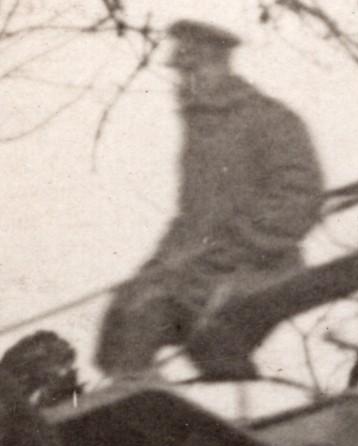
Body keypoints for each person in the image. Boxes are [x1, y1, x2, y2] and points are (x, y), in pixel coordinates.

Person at [96, 19, 324, 380]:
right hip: (203, 271)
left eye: (193, 70)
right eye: (181, 73)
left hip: (261, 267)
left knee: (158, 313)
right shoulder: (200, 132)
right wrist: (154, 267)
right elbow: (188, 221)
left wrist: (238, 243)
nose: (184, 83)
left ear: (220, 65)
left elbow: (300, 196)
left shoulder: (270, 119)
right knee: (124, 309)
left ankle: (143, 410)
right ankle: (146, 405)